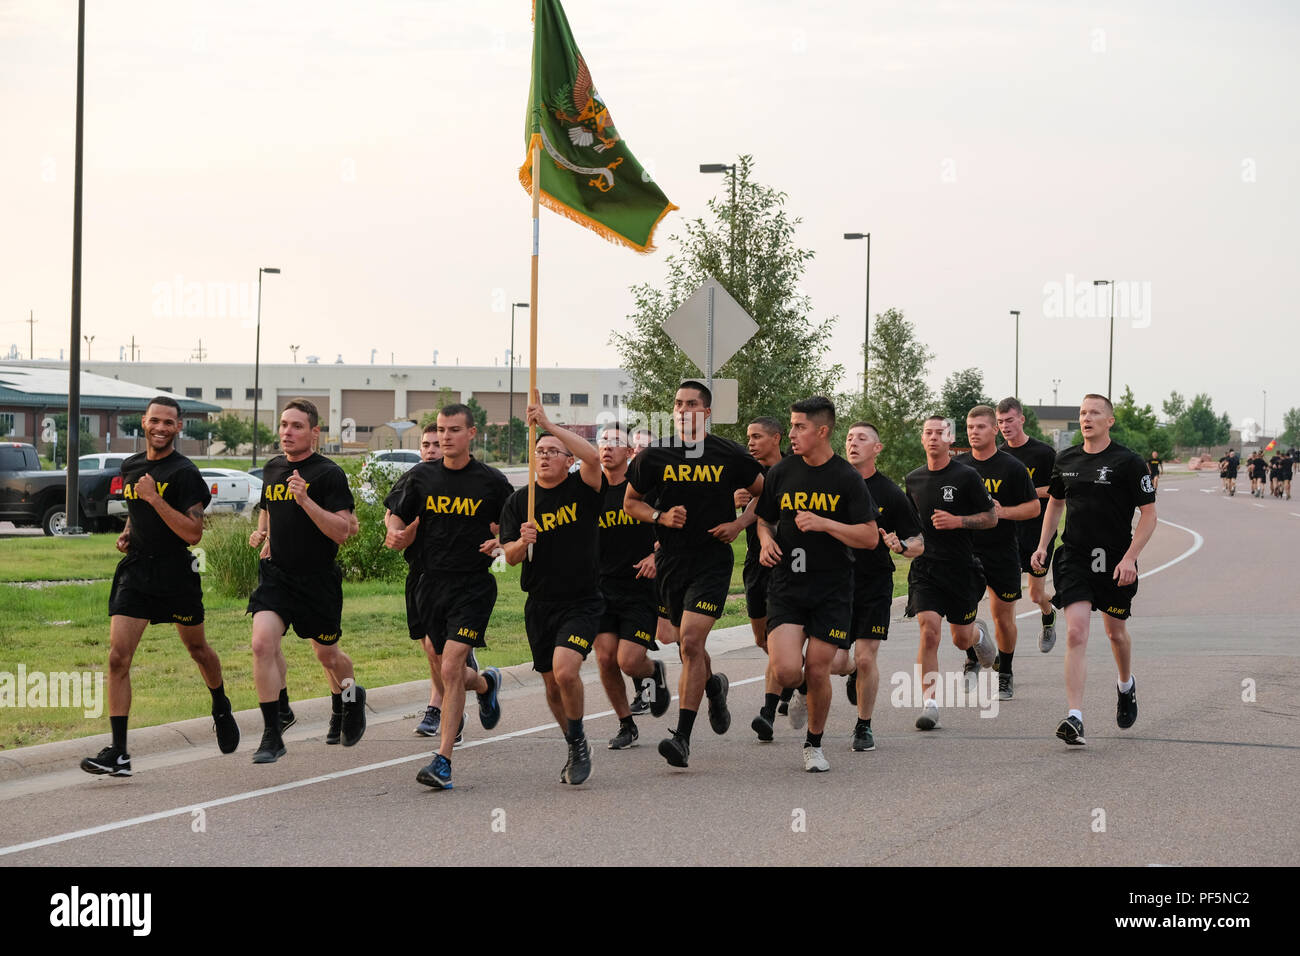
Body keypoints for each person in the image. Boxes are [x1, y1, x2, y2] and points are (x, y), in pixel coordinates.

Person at [81, 396, 237, 776]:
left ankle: (220, 704)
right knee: (118, 657)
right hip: (136, 573)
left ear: (178, 427)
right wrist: (128, 532)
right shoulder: (131, 466)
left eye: (169, 422)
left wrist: (154, 497)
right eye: (155, 421)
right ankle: (119, 753)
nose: (161, 427)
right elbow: (137, 513)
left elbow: (193, 532)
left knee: (197, 649)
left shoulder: (185, 473)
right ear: (144, 423)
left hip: (175, 576)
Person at [625, 381, 764, 769]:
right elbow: (630, 503)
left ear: (705, 413)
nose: (683, 409)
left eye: (692, 404)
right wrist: (660, 516)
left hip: (712, 562)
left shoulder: (729, 453)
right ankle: (714, 686)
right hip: (672, 562)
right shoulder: (655, 456)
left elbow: (764, 493)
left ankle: (682, 738)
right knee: (690, 649)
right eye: (678, 403)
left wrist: (739, 525)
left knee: (688, 641)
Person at [385, 403, 511, 790]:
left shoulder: (491, 481)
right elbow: (395, 515)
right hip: (429, 584)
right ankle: (486, 685)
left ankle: (443, 761)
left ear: (471, 434)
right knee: (446, 670)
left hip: (472, 585)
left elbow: (514, 527)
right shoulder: (420, 477)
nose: (444, 437)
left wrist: (503, 541)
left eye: (454, 430)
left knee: (453, 667)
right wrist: (396, 532)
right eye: (441, 430)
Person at [753, 397, 877, 772]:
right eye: (791, 426)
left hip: (832, 590)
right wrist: (766, 541)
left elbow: (869, 537)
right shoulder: (782, 473)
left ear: (822, 431)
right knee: (789, 670)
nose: (791, 434)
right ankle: (799, 692)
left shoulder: (847, 478)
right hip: (787, 586)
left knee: (818, 669)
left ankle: (814, 743)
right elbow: (765, 520)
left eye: (799, 427)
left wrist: (826, 524)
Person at [1032, 394, 1156, 746]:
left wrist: (1130, 557)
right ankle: (1075, 717)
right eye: (1083, 413)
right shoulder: (1065, 459)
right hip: (1074, 556)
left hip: (1115, 558)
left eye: (1095, 413)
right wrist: (1043, 545)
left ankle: (1125, 684)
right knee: (1076, 633)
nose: (1087, 418)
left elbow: (1149, 514)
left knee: (1115, 633)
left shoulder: (1129, 462)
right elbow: (1055, 504)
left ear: (1109, 421)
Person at [247, 398, 362, 764]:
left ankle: (348, 699)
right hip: (277, 576)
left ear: (314, 431)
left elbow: (343, 531)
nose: (287, 432)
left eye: (296, 426)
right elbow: (268, 507)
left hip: (317, 581)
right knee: (262, 644)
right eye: (283, 425)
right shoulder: (272, 468)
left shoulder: (328, 474)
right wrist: (262, 534)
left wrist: (307, 501)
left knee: (327, 654)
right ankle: (272, 732)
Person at [499, 396, 604, 784]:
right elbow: (508, 557)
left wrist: (548, 423)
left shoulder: (582, 487)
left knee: (565, 670)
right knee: (550, 682)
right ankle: (573, 739)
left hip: (581, 600)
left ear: (566, 459)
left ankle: (577, 744)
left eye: (552, 451)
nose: (543, 457)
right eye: (539, 451)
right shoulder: (519, 502)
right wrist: (521, 542)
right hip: (539, 604)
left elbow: (593, 458)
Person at [383, 424, 477, 744]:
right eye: (426, 444)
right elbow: (392, 514)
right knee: (430, 649)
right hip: (421, 575)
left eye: (437, 443)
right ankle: (474, 681)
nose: (432, 449)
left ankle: (442, 709)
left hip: (458, 578)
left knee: (438, 651)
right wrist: (397, 531)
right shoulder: (412, 480)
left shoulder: (465, 479)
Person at [904, 415, 998, 730]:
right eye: (927, 432)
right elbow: (909, 526)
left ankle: (979, 636)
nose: (932, 437)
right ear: (922, 438)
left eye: (939, 433)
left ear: (949, 439)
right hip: (926, 568)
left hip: (961, 568)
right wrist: (902, 542)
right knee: (929, 631)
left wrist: (958, 521)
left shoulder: (967, 476)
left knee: (961, 639)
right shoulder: (913, 479)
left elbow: (991, 519)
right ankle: (930, 704)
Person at [840, 422, 923, 752]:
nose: (853, 443)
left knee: (866, 657)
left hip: (874, 582)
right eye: (848, 438)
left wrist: (901, 545)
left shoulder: (890, 493)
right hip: (835, 582)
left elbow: (919, 543)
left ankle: (864, 726)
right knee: (832, 660)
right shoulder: (833, 483)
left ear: (877, 448)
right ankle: (851, 673)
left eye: (861, 439)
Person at [592, 423, 670, 751]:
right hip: (600, 588)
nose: (607, 447)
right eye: (602, 442)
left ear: (630, 452)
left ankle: (654, 672)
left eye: (615, 442)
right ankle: (626, 724)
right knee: (606, 658)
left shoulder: (644, 490)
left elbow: (673, 529)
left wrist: (657, 556)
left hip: (639, 586)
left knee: (628, 660)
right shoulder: (588, 492)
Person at [955, 405, 1039, 700]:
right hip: (965, 551)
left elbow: (1033, 508)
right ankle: (971, 657)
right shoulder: (958, 466)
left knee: (1003, 618)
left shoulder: (1012, 467)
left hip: (1002, 550)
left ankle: (1005, 673)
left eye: (980, 427)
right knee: (961, 617)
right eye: (969, 427)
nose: (974, 432)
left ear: (994, 430)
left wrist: (1003, 513)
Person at [733, 417, 802, 736]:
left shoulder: (796, 468)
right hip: (755, 562)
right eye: (749, 437)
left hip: (790, 565)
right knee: (762, 639)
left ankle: (767, 712)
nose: (751, 442)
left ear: (776, 438)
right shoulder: (747, 471)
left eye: (757, 436)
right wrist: (733, 499)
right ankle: (795, 674)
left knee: (776, 639)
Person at [996, 398, 1060, 652]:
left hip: (1038, 532)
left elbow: (1058, 491)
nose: (1005, 426)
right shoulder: (999, 455)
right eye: (1000, 422)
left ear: (1022, 419)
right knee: (1005, 600)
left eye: (1010, 420)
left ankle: (1048, 614)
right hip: (1009, 534)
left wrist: (1026, 491)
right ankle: (1006, 658)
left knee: (1035, 594)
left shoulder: (1043, 453)